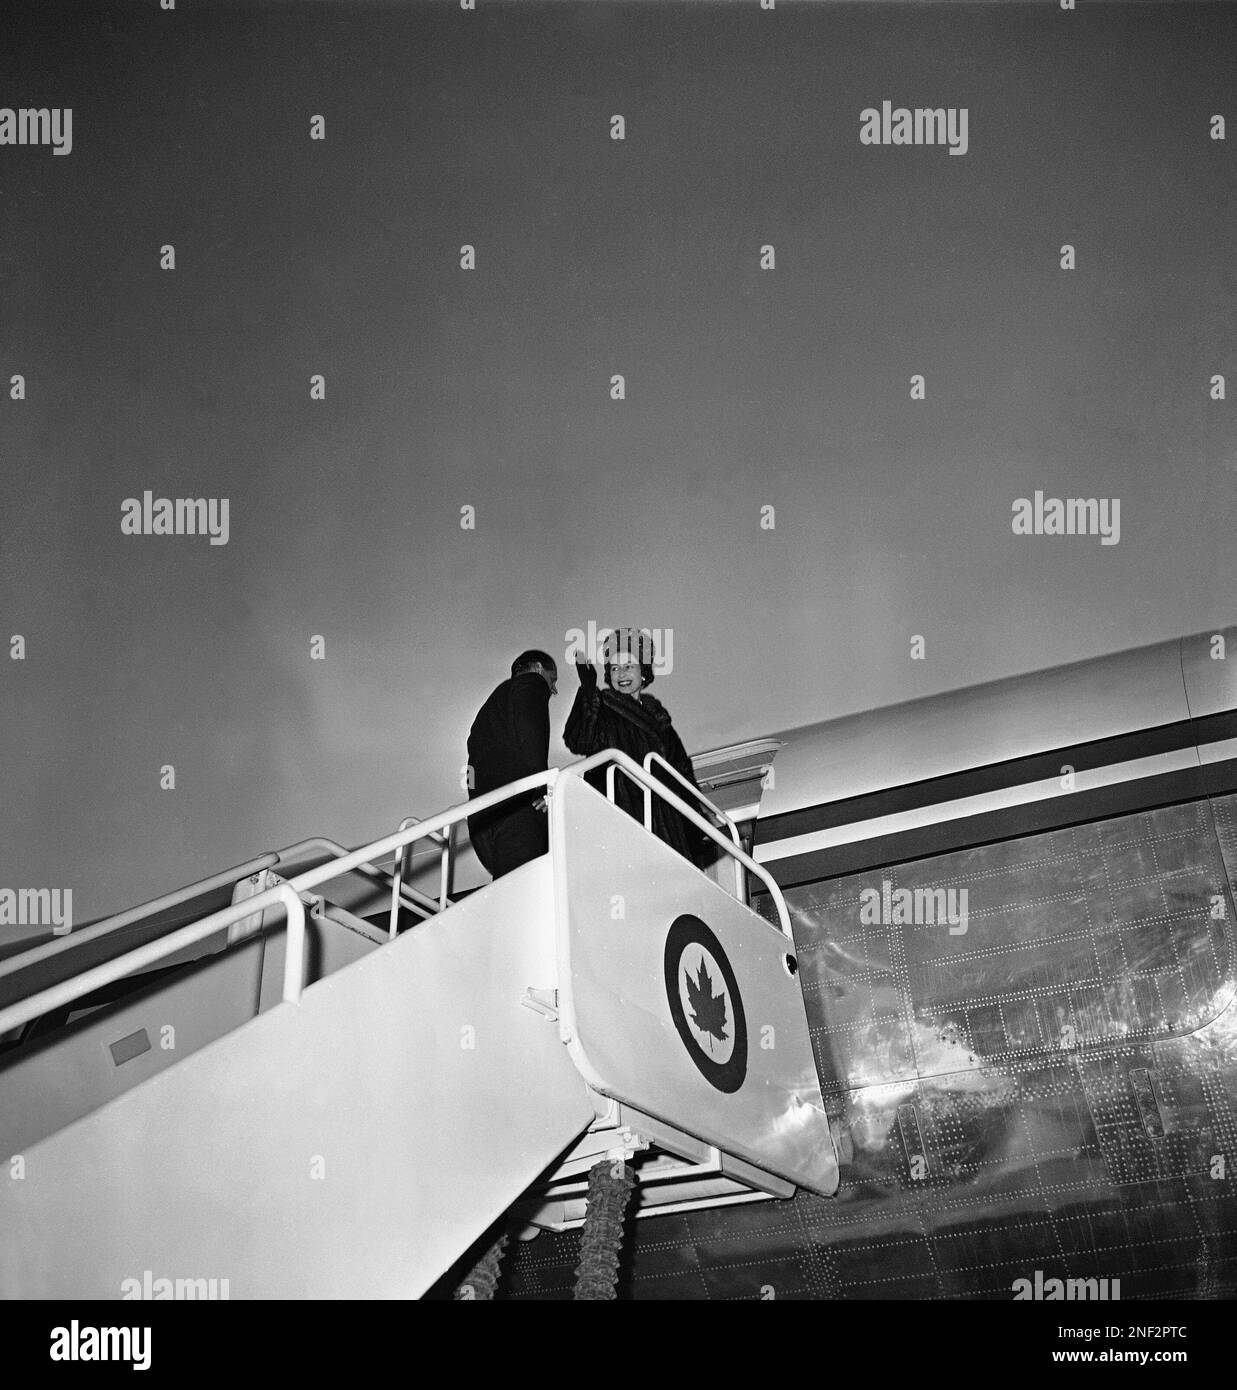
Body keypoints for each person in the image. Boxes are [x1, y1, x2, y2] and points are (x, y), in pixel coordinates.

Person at [563, 628, 713, 868]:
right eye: (614, 668)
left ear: (643, 673)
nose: (621, 674)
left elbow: (681, 771)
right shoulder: (603, 708)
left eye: (628, 666)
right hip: (626, 814)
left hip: (667, 818)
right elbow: (579, 741)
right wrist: (589, 691)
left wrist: (698, 818)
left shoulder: (660, 720)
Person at [466, 649, 558, 879]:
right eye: (553, 679)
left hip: (484, 819)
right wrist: (543, 790)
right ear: (538, 668)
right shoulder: (531, 684)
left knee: (511, 891)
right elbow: (531, 737)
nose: (554, 689)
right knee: (525, 894)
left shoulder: (489, 712)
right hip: (518, 811)